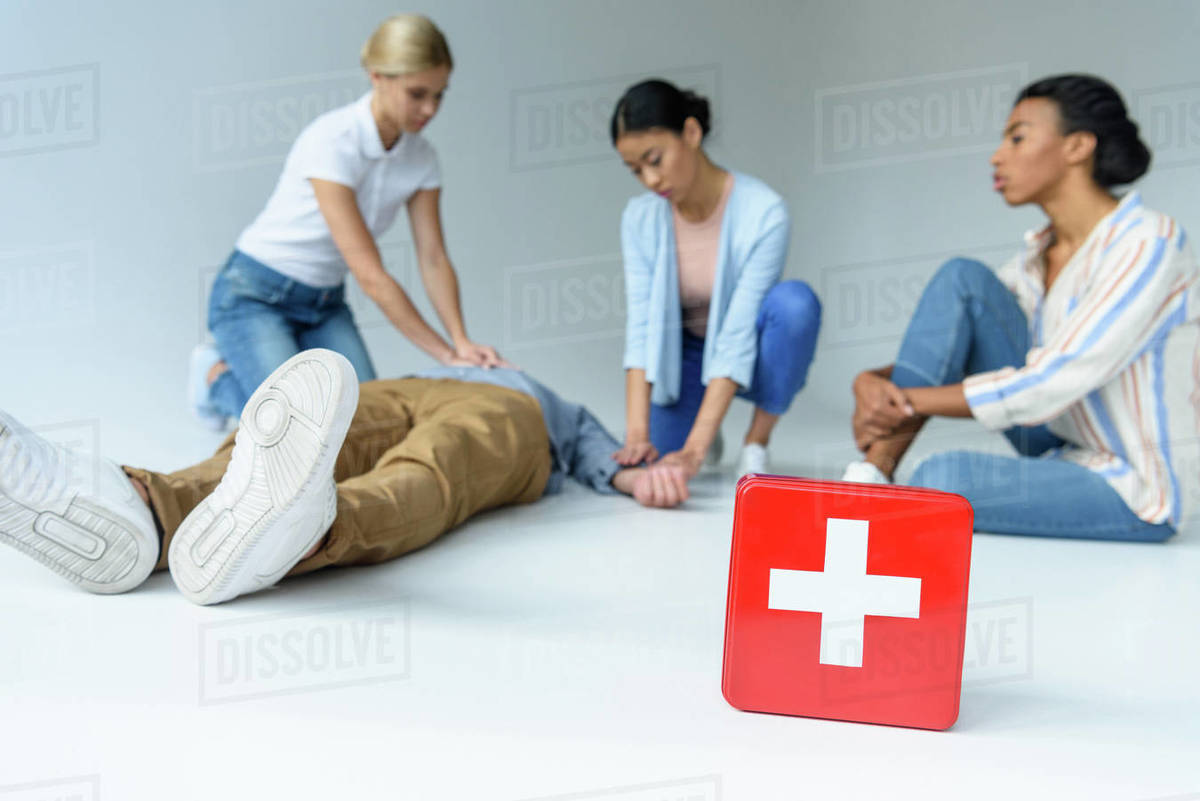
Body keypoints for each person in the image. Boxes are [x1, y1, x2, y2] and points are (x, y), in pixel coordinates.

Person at [2, 350, 692, 604]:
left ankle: (310, 527)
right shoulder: (455, 360)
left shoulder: (545, 403)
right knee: (268, 439)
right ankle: (139, 506)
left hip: (512, 420)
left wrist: (641, 479)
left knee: (432, 467)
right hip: (400, 384)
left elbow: (611, 457)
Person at [843, 74, 1198, 542]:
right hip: (1058, 449)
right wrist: (873, 382)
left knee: (942, 480)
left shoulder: (1148, 242)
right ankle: (870, 476)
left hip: (1132, 487)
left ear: (1078, 147)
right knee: (962, 280)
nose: (997, 155)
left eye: (1017, 137)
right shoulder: (1037, 257)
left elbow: (1056, 379)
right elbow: (952, 339)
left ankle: (868, 486)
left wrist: (902, 403)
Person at [189, 14, 506, 430]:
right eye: (418, 94)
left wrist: (462, 340)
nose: (430, 109)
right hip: (254, 295)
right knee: (294, 429)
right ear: (377, 76)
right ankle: (213, 376)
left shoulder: (421, 158)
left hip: (323, 306)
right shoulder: (332, 141)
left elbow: (432, 258)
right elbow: (371, 277)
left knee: (365, 427)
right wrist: (445, 356)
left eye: (440, 95)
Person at [609, 79, 822, 482]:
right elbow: (641, 329)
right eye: (636, 170)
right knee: (653, 462)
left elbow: (739, 332)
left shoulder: (764, 212)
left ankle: (755, 442)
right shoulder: (639, 218)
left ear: (691, 133)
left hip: (755, 349)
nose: (650, 180)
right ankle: (703, 423)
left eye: (655, 160)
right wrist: (636, 434)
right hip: (686, 354)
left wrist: (695, 448)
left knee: (795, 305)